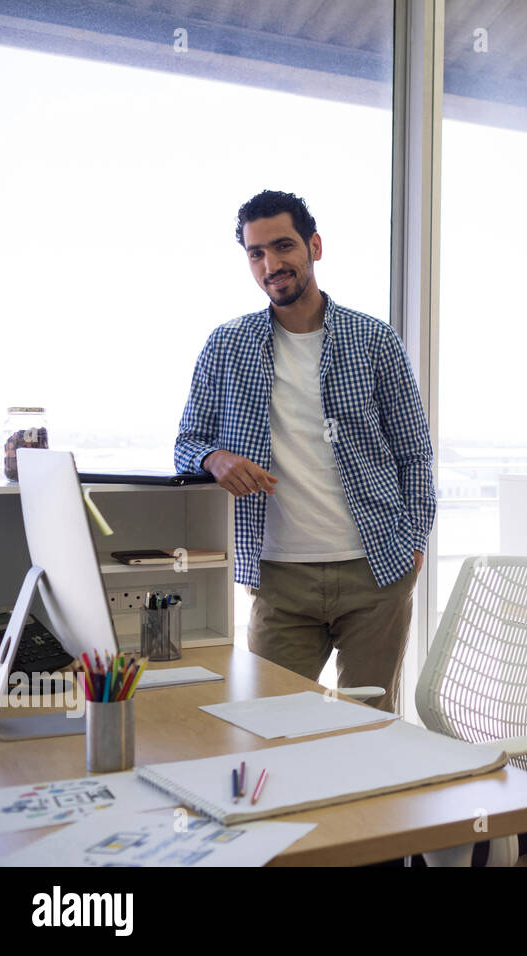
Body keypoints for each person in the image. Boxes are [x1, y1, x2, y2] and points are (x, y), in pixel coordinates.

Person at [175, 190, 435, 712]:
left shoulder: (374, 340)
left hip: (376, 570)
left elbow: (414, 452)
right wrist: (213, 458)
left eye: (283, 246)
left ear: (314, 246)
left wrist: (414, 541)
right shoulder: (226, 345)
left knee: (371, 726)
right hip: (278, 578)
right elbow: (187, 443)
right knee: (270, 723)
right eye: (256, 253)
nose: (271, 264)